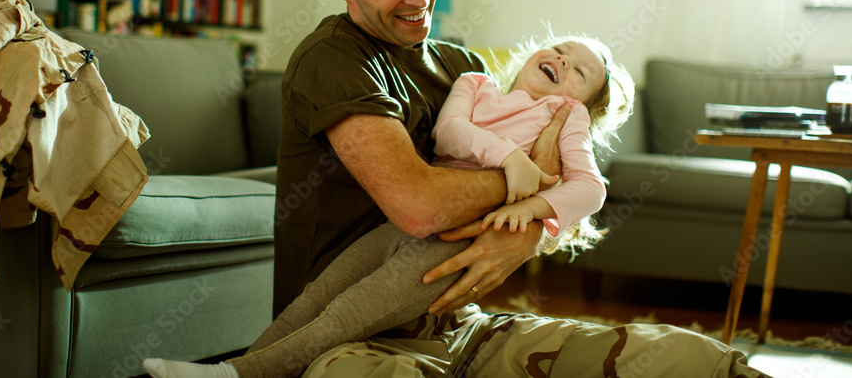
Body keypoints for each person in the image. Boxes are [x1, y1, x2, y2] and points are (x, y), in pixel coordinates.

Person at [144, 0, 771, 378]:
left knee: (696, 362)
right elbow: (419, 208)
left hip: (462, 327)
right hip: (350, 343)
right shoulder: (332, 60)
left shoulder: (462, 67)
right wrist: (523, 180)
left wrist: (527, 237)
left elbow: (564, 194)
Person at [144, 31, 633, 378]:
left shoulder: (562, 116)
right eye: (561, 49)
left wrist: (530, 211)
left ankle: (236, 375)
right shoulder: (473, 83)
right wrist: (511, 161)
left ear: (584, 106)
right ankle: (237, 369)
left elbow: (592, 190)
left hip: (454, 241)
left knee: (349, 312)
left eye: (580, 71)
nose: (563, 61)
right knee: (318, 296)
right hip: (413, 216)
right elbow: (450, 132)